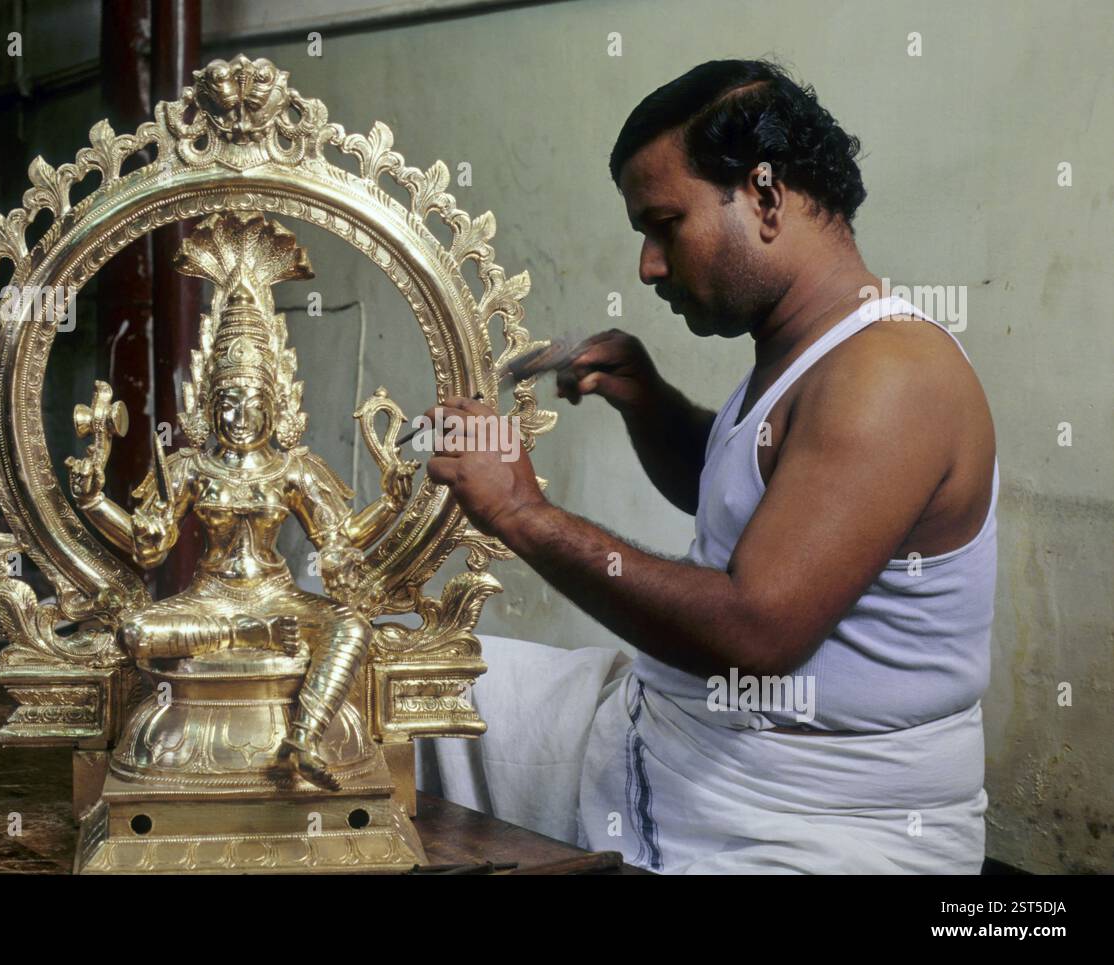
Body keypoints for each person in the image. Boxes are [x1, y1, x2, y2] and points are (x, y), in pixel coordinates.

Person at [422, 59, 997, 873]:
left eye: (664, 225)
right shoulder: (801, 347)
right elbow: (752, 501)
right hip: (665, 733)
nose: (650, 267)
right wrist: (648, 400)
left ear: (764, 195)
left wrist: (523, 512)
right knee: (395, 676)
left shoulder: (888, 377)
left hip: (792, 826)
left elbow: (755, 631)